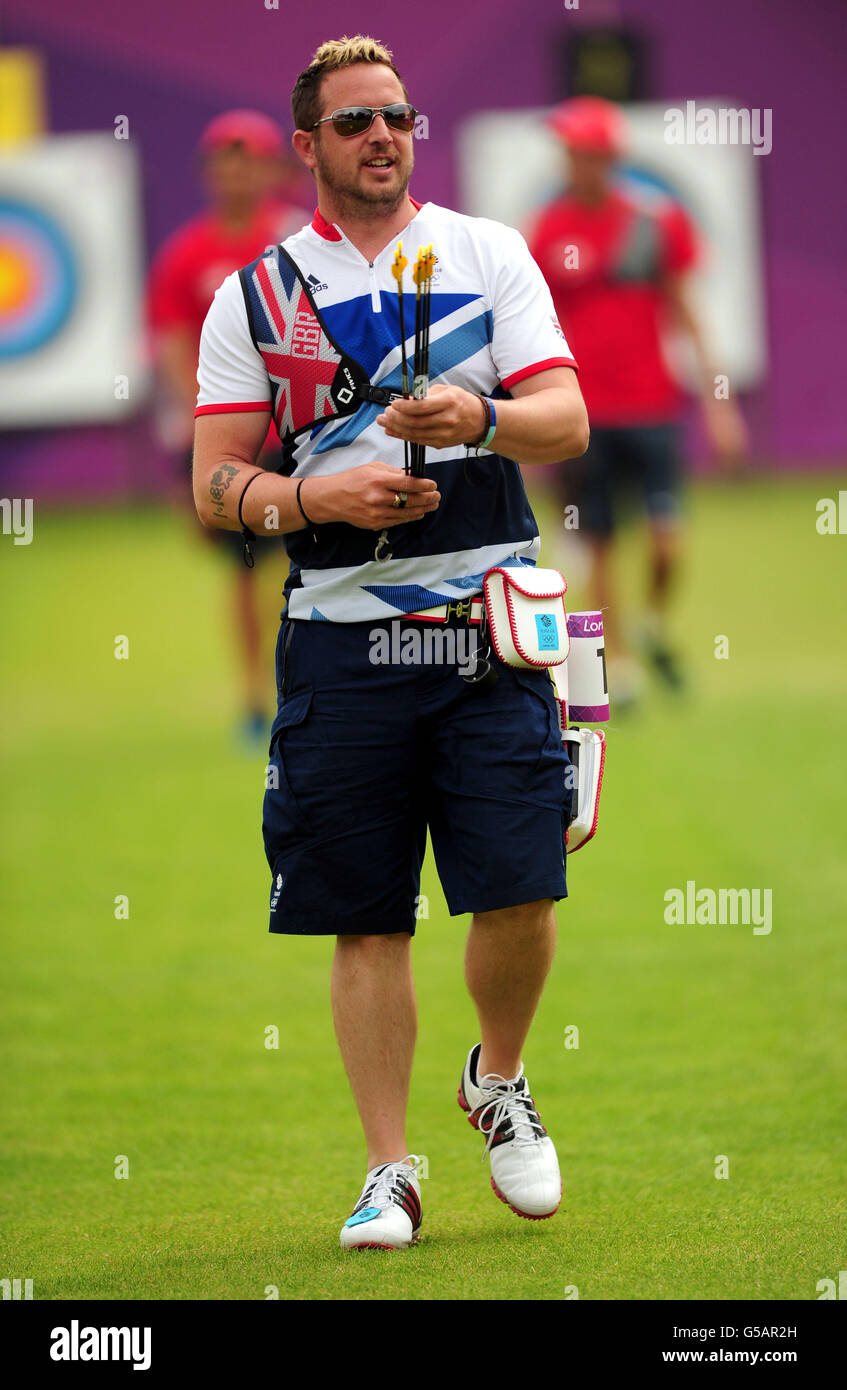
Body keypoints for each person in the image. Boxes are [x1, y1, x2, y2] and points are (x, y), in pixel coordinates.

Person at [192, 36, 589, 1249]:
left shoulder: (487, 253)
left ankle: (499, 1081)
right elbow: (215, 483)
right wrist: (314, 502)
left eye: (399, 117)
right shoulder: (252, 297)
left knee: (520, 884)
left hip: (487, 631)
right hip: (340, 644)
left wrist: (480, 415)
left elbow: (564, 419)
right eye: (356, 121)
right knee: (368, 916)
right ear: (305, 145)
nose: (384, 136)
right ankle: (388, 1171)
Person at [528, 96, 747, 698]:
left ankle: (652, 624)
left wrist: (719, 403)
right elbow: (530, 324)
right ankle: (617, 662)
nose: (570, 160)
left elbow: (687, 312)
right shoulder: (547, 227)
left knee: (666, 540)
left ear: (606, 157)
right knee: (597, 539)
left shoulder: (657, 220)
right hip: (584, 413)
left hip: (652, 407)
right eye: (566, 151)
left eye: (579, 150)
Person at [148, 109, 309, 742]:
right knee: (244, 571)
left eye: (248, 160)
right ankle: (252, 697)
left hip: (303, 436)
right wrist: (199, 438)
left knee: (313, 567)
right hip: (237, 444)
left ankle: (310, 686)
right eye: (223, 162)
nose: (236, 174)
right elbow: (171, 347)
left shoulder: (298, 241)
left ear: (274, 168)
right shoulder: (187, 253)